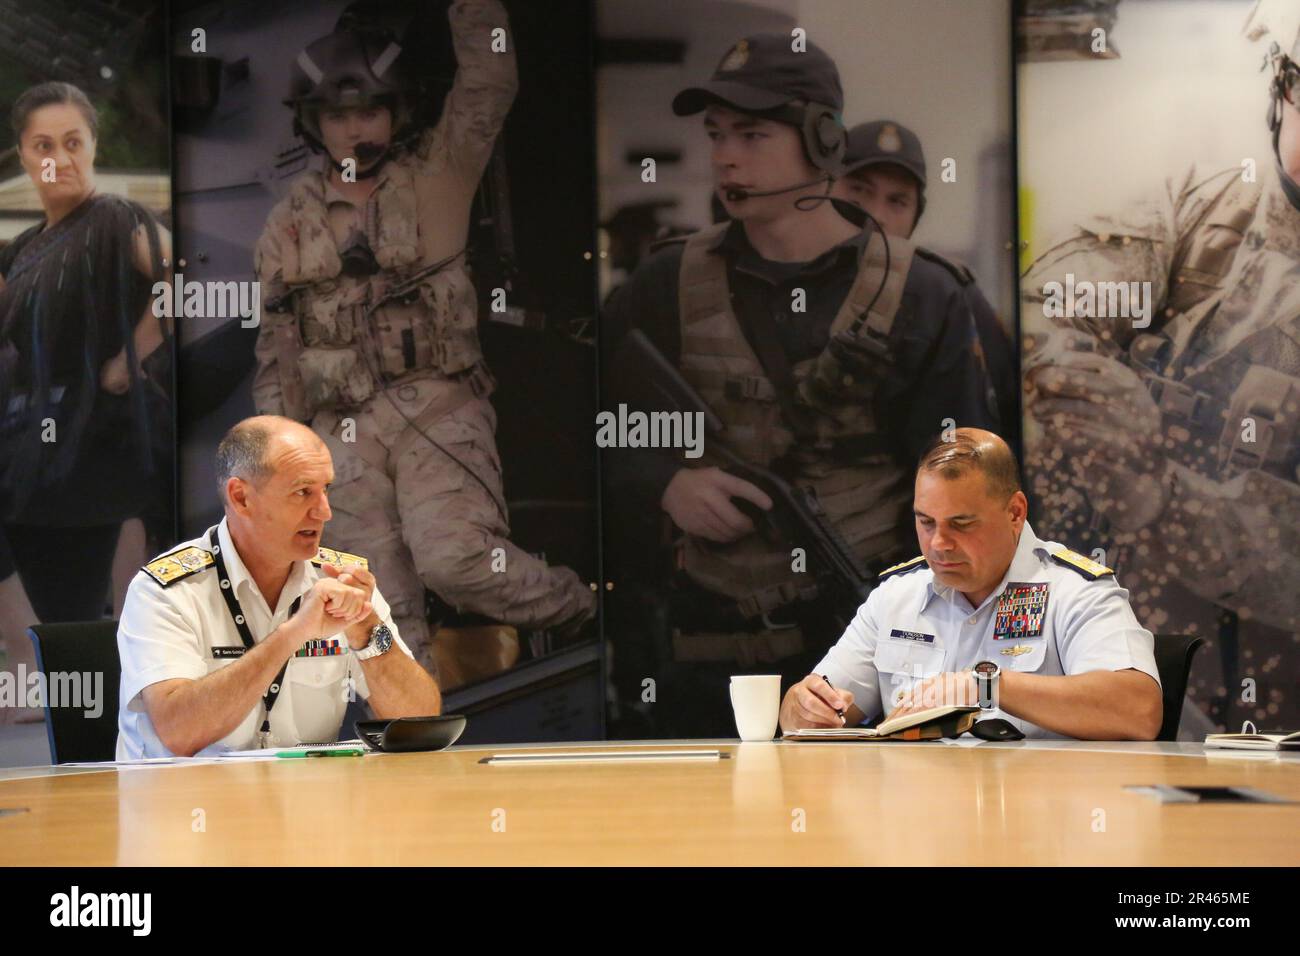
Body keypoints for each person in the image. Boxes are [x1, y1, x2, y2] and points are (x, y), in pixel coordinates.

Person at [602, 34, 998, 737]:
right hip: (707, 657)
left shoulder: (923, 294)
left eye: (752, 135)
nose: (725, 156)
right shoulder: (667, 284)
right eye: (717, 135)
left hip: (869, 655)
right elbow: (583, 425)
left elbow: (963, 486)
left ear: (822, 142)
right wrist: (665, 481)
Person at [252, 0, 595, 676]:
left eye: (369, 112)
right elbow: (276, 355)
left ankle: (586, 611)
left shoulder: (441, 175)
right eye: (337, 117)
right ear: (313, 125)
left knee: (457, 562)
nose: (355, 130)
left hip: (437, 408)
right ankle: (413, 729)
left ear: (396, 112)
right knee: (375, 604)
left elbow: (489, 83)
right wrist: (281, 468)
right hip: (341, 431)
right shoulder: (285, 226)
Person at [1020, 0, 1300, 731]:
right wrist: (1084, 388)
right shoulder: (1196, 206)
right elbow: (1046, 318)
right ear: (1282, 87)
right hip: (1120, 660)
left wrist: (1161, 495)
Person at [781, 429, 1163, 740]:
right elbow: (807, 712)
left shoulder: (1074, 590)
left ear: (1015, 513)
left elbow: (1138, 711)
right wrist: (802, 707)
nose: (938, 544)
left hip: (1036, 820)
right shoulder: (896, 597)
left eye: (961, 524)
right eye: (926, 522)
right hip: (914, 817)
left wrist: (985, 686)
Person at [117, 416, 440, 759]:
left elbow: (419, 721)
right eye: (302, 492)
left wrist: (369, 633)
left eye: (325, 489)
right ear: (241, 498)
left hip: (301, 804)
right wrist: (292, 634)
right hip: (185, 806)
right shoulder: (166, 591)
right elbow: (180, 734)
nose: (324, 512)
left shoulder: (342, 579)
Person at [0, 81, 172, 624]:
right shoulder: (22, 248)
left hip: (102, 442)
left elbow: (187, 277)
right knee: (63, 623)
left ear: (94, 145)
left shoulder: (116, 218)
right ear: (24, 155)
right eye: (43, 146)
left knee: (100, 624)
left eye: (73, 142)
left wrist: (129, 359)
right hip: (31, 449)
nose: (59, 159)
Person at [834, 118, 1018, 431]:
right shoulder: (793, 272)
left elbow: (1008, 404)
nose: (876, 215)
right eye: (860, 191)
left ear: (915, 215)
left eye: (897, 201)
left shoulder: (946, 292)